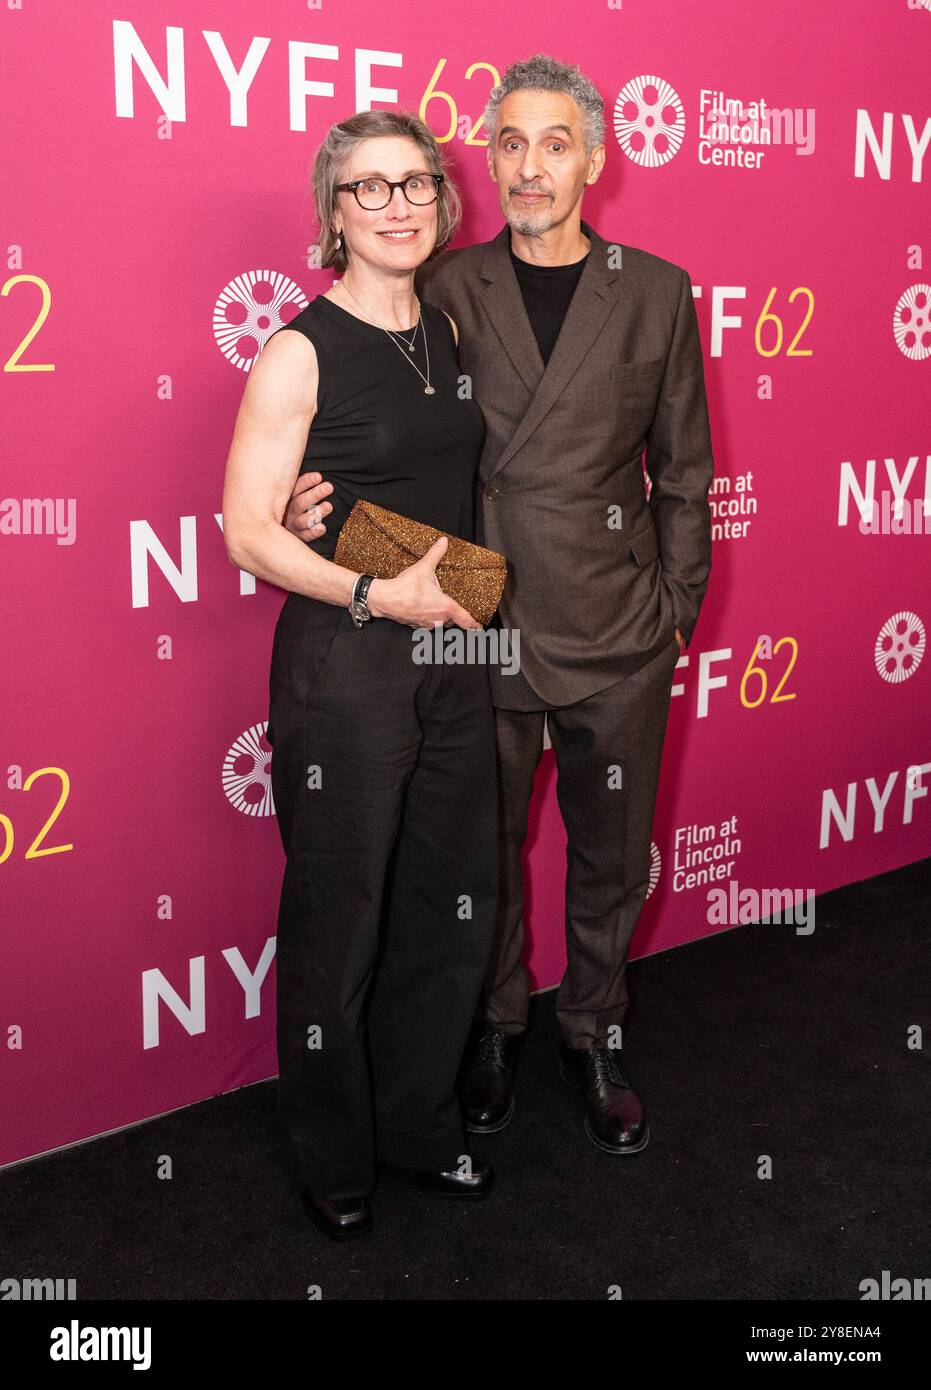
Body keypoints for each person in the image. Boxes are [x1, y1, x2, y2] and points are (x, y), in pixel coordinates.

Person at [287, 54, 714, 1157]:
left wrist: (674, 612)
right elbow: (388, 447)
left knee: (614, 854)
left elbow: (683, 473)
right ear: (489, 156)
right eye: (510, 143)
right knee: (480, 855)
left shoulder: (657, 289)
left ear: (595, 159)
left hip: (620, 626)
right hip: (479, 619)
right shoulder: (441, 283)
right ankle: (494, 1022)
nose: (529, 167)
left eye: (554, 143)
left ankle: (593, 1028)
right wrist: (316, 509)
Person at [221, 109, 500, 1240]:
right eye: (368, 188)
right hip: (348, 662)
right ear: (330, 214)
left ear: (442, 199)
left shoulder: (450, 329)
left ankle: (421, 1126)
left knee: (447, 905)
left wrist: (447, 607)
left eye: (414, 184)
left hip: (456, 646)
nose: (396, 205)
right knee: (342, 916)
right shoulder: (300, 347)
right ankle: (332, 1155)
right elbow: (247, 530)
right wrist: (377, 594)